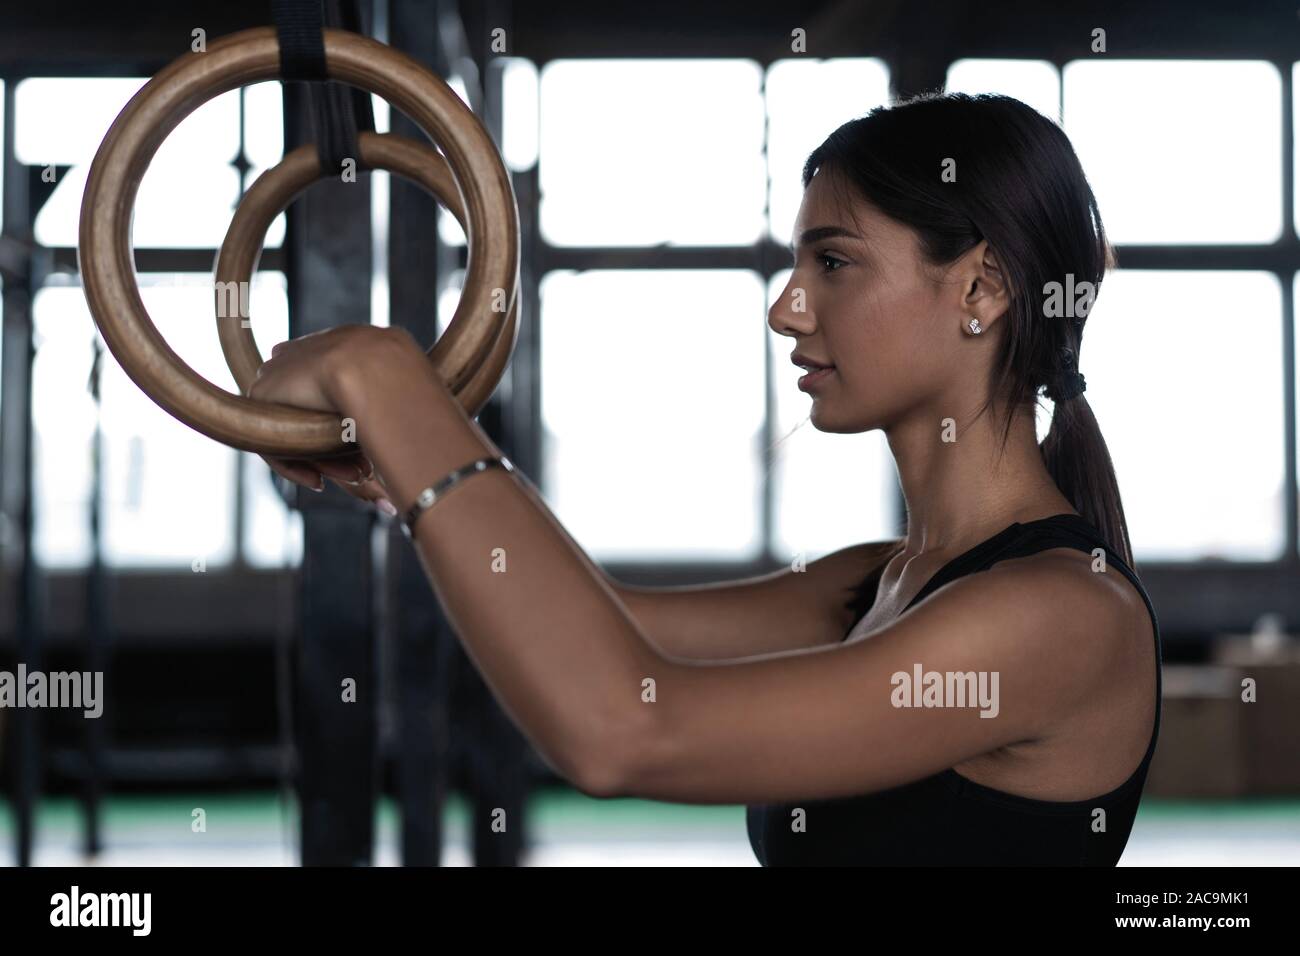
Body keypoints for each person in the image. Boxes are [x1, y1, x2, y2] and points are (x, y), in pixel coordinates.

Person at [249, 92, 1160, 866]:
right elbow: (601, 627)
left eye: (833, 262)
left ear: (980, 292)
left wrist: (383, 375)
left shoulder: (1061, 614)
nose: (785, 306)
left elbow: (623, 732)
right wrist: (401, 471)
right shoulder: (870, 581)